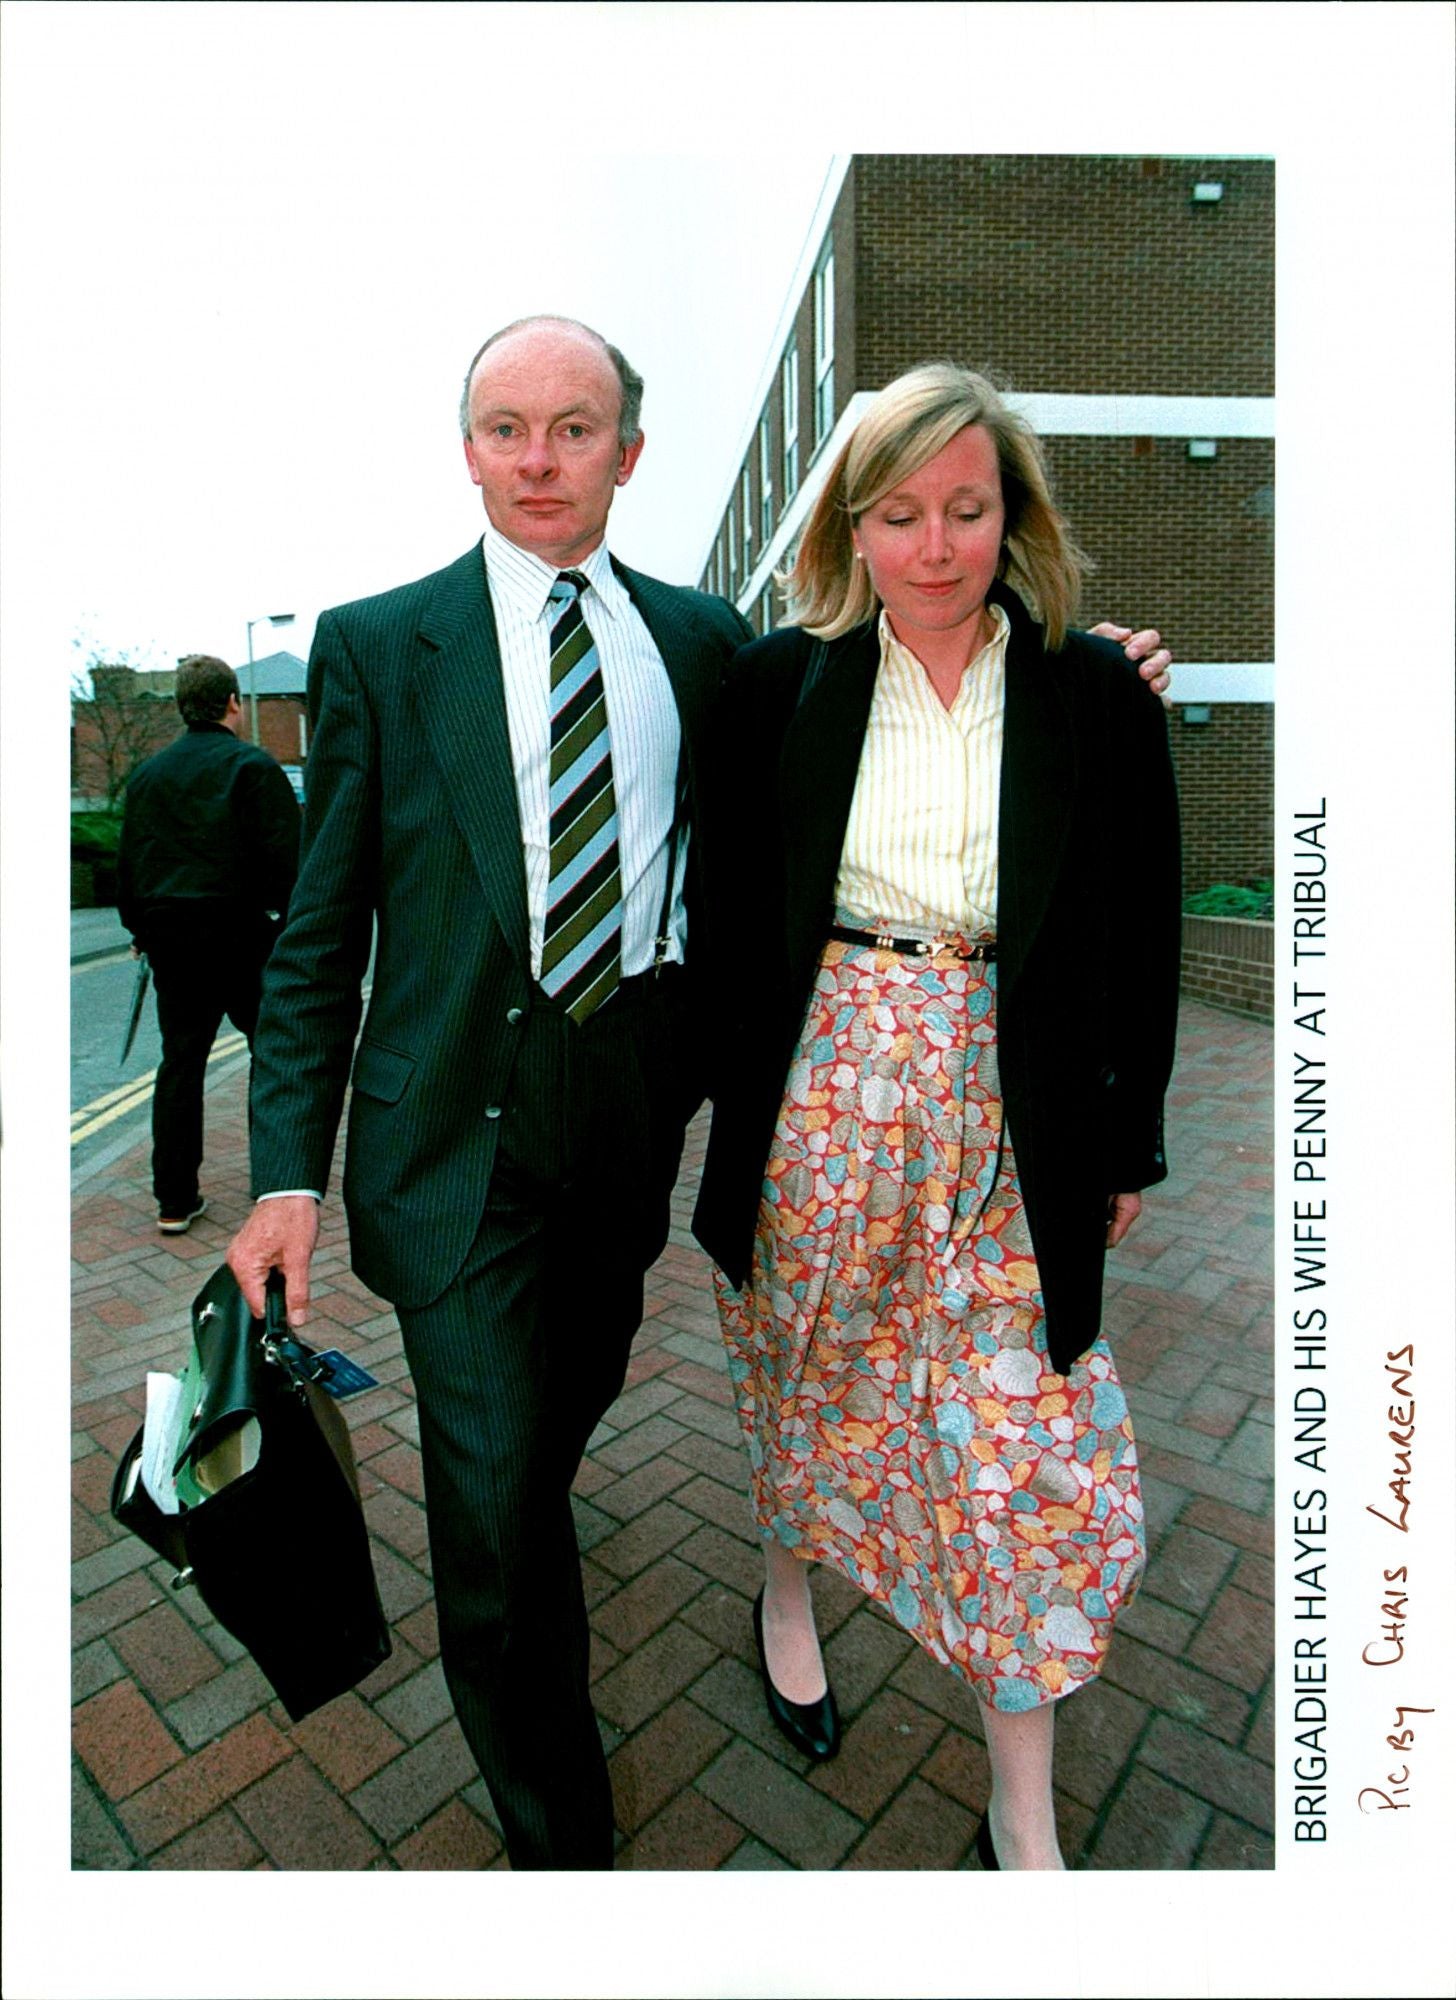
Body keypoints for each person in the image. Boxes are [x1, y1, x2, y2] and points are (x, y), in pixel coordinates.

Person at [226, 317, 1171, 1872]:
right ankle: (563, 1839)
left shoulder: (712, 654)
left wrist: (1107, 665)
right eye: (509, 427)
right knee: (493, 1499)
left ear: (630, 453)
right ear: (467, 449)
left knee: (557, 1414)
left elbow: (872, 806)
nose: (541, 459)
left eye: (576, 428)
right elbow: (320, 937)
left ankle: (545, 1498)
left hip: (624, 1132)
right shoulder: (380, 646)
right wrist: (281, 1178)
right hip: (447, 1140)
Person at [693, 361, 1182, 1872]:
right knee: (814, 1374)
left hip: (1014, 1110)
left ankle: (1020, 1816)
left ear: (1011, 515)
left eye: (967, 509)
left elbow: (1144, 925)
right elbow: (723, 919)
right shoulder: (781, 685)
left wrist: (1130, 1139)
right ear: (853, 528)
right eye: (899, 513)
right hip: (827, 1094)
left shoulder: (1095, 690)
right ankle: (789, 1590)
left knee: (1023, 1445)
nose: (935, 546)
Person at [117, 654, 300, 1233]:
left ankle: (175, 1199)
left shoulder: (147, 776)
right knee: (269, 1056)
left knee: (181, 1063)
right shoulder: (252, 768)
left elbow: (132, 866)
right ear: (232, 703)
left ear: (180, 707)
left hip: (174, 941)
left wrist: (140, 932)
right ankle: (271, 1182)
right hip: (242, 935)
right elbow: (288, 862)